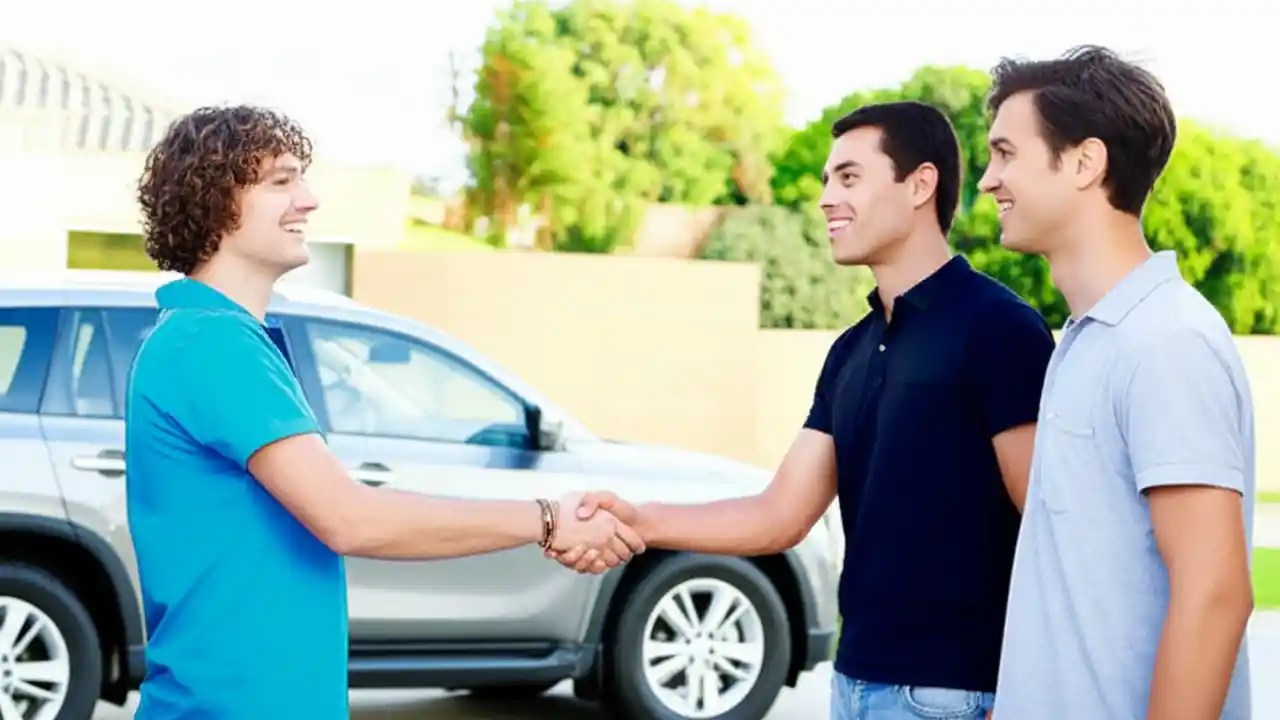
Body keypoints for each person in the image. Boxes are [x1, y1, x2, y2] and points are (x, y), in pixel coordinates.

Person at [124, 104, 644, 720]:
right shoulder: (212, 342)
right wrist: (547, 519)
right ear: (215, 200)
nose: (309, 200)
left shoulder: (213, 337)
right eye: (282, 181)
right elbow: (352, 520)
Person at [554, 101, 1055, 719]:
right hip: (851, 684)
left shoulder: (998, 328)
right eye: (825, 181)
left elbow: (1050, 521)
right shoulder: (850, 349)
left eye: (849, 178)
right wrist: (638, 521)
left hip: (953, 695)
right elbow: (778, 514)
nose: (826, 198)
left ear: (920, 184)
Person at [977, 45, 1256, 719]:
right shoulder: (1085, 341)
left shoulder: (1165, 342)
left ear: (1085, 162)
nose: (988, 180)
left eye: (1007, 153)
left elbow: (1215, 592)